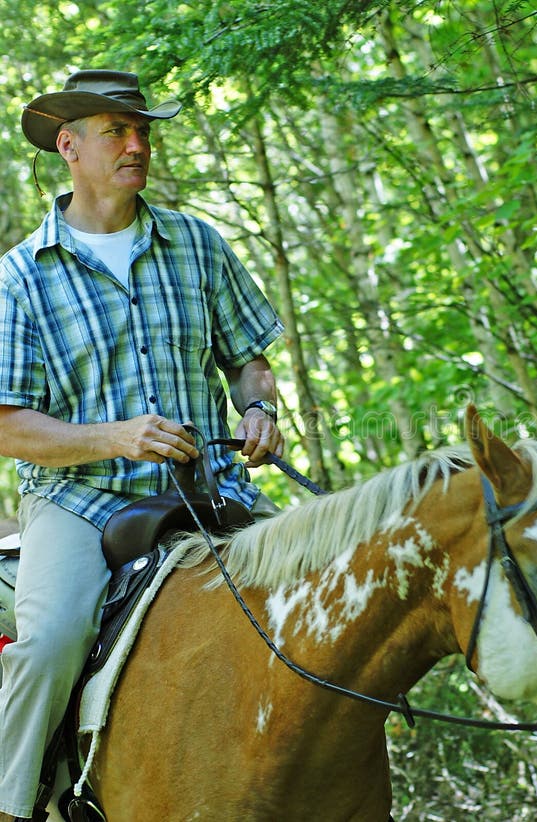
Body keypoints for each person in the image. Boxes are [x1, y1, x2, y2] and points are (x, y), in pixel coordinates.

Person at [0, 69, 285, 819]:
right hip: (81, 503)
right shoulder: (21, 278)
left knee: (319, 608)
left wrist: (258, 410)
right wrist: (114, 438)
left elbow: (249, 360)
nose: (136, 146)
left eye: (143, 133)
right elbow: (7, 424)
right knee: (51, 642)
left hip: (213, 493)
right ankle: (13, 803)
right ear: (68, 146)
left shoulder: (197, 244)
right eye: (116, 132)